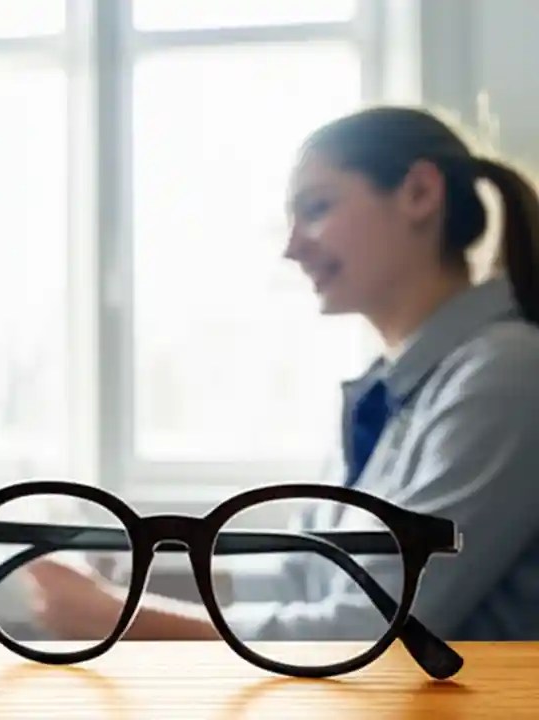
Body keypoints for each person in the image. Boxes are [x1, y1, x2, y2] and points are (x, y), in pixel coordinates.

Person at [26, 107, 539, 643]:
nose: (292, 247)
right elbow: (306, 573)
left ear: (419, 193)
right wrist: (140, 571)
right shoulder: (390, 396)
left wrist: (122, 619)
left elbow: (376, 631)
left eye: (316, 208)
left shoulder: (505, 376)